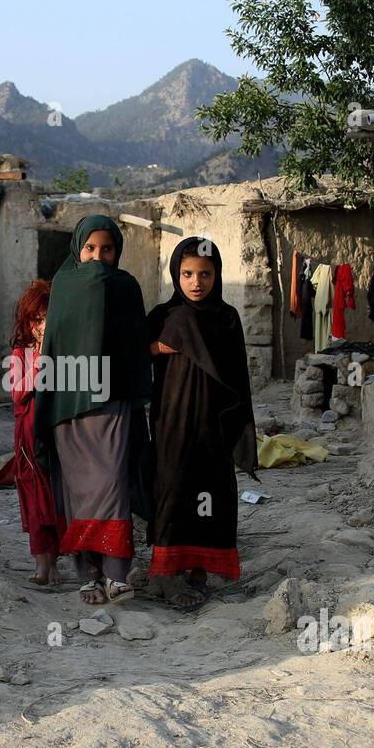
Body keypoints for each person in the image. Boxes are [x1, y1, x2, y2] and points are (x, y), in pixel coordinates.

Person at [35, 215, 152, 605]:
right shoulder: (63, 287)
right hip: (69, 403)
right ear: (78, 249)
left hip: (113, 401)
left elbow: (135, 346)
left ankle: (116, 574)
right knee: (78, 492)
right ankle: (87, 575)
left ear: (118, 251)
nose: (98, 256)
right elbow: (54, 345)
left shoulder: (126, 288)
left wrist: (137, 394)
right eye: (90, 248)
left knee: (111, 484)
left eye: (107, 249)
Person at [147, 237, 257, 601]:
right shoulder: (165, 316)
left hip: (213, 422)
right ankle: (166, 570)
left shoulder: (226, 318)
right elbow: (131, 351)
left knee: (210, 490)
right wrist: (158, 347)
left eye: (205, 274)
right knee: (173, 487)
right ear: (176, 273)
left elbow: (237, 373)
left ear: (217, 275)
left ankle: (199, 567)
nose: (197, 282)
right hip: (173, 420)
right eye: (188, 273)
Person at [5, 279, 61, 585]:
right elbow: (18, 394)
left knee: (54, 498)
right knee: (35, 497)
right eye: (36, 320)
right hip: (28, 439)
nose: (41, 326)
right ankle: (42, 564)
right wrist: (39, 361)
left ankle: (55, 563)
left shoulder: (65, 352)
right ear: (27, 321)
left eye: (47, 319)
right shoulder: (22, 353)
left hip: (55, 436)